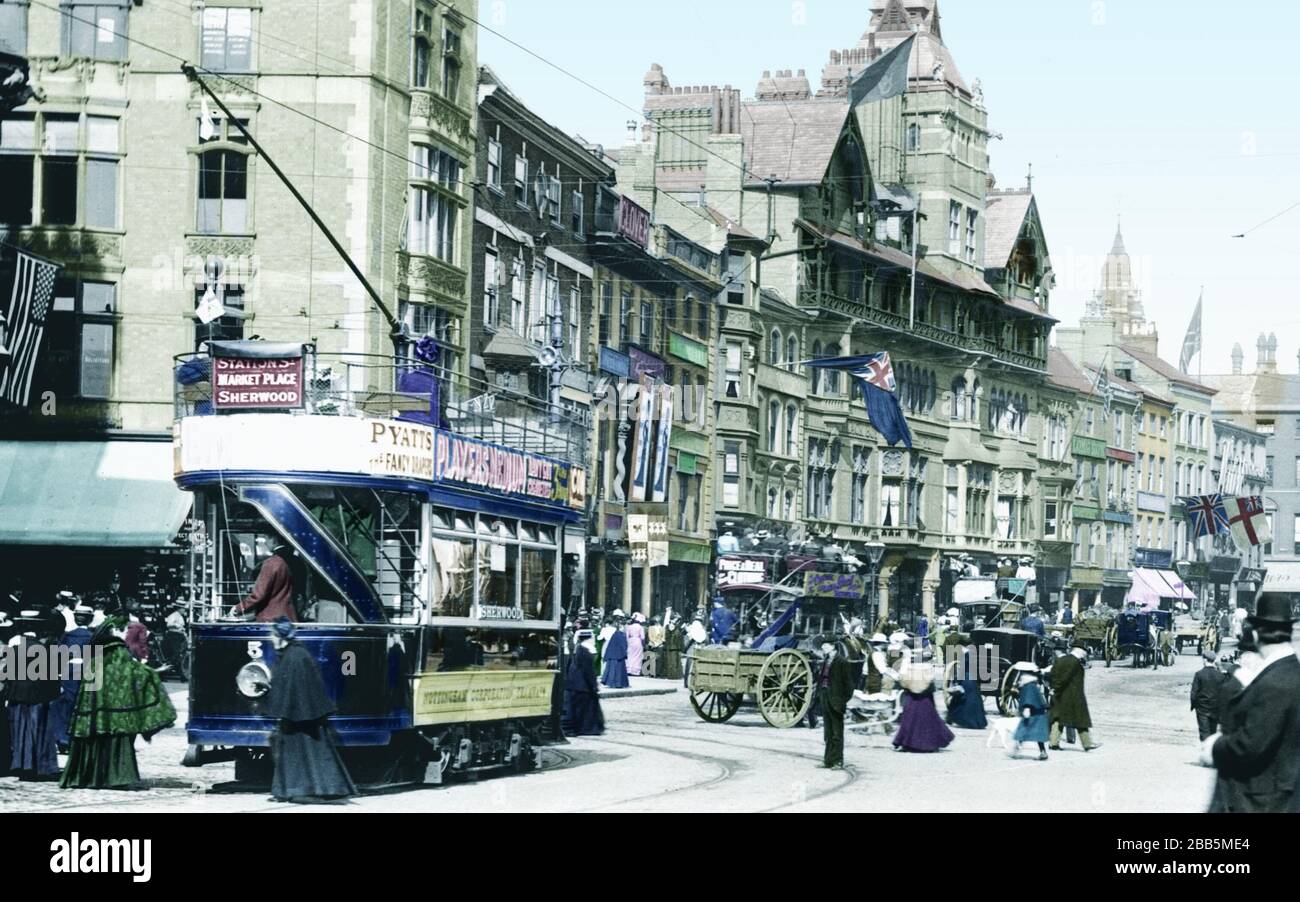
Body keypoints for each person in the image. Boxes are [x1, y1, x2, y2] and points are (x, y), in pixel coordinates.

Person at [1201, 595, 1300, 813]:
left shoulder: (1275, 683)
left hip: (1262, 803)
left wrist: (1214, 748)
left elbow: (1250, 745)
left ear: (1255, 634)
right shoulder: (1290, 672)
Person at [61, 615, 177, 789]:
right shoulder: (119, 654)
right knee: (117, 741)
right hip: (118, 718)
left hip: (93, 717)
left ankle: (89, 777)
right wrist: (156, 672)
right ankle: (116, 777)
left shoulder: (95, 661)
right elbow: (135, 672)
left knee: (94, 740)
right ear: (116, 630)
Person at [264, 617, 357, 803]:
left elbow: (296, 687)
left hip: (303, 717)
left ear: (281, 637)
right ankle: (291, 790)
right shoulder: (292, 654)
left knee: (307, 754)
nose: (271, 639)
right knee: (299, 753)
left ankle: (313, 789)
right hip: (299, 715)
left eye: (273, 635)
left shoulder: (296, 657)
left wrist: (287, 708)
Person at [7, 610, 64, 781]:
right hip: (39, 696)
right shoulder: (47, 649)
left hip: (18, 695)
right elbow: (54, 677)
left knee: (20, 731)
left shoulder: (14, 647)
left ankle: (22, 764)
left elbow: (8, 673)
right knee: (38, 731)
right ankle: (40, 765)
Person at [49, 604, 95, 752]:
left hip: (69, 671)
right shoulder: (95, 637)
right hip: (88, 671)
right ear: (90, 619)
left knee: (64, 704)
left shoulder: (67, 636)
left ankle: (63, 737)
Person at [891, 657, 954, 753]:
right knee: (928, 719)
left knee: (910, 719)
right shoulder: (928, 667)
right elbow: (931, 681)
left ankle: (909, 742)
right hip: (925, 697)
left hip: (912, 697)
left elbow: (903, 680)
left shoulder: (907, 665)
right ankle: (928, 743)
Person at [231, 538, 298, 622]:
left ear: (274, 541)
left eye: (267, 538)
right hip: (290, 617)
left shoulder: (271, 562)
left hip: (271, 620)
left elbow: (259, 594)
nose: (265, 542)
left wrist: (238, 608)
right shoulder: (297, 561)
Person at [1049, 640, 1099, 751]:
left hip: (1064, 695)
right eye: (1084, 651)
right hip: (1073, 696)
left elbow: (1054, 674)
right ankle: (1087, 743)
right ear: (1079, 650)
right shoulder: (1074, 662)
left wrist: (1054, 689)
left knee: (1059, 718)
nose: (1085, 653)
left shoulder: (1064, 659)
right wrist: (1056, 688)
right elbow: (1064, 678)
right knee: (1081, 719)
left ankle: (1053, 743)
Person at [819, 640, 857, 768]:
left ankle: (838, 761)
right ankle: (828, 760)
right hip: (825, 697)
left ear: (832, 646)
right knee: (828, 732)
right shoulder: (826, 660)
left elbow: (849, 685)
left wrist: (842, 700)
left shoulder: (842, 662)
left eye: (825, 645)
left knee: (837, 733)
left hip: (836, 701)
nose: (822, 647)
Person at [562, 630, 605, 736]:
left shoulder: (578, 648)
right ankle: (586, 729)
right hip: (582, 685)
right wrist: (593, 686)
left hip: (574, 683)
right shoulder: (586, 650)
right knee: (585, 709)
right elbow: (588, 671)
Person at [1010, 664, 1050, 760]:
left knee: (1022, 731)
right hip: (1038, 713)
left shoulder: (1029, 686)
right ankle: (1043, 752)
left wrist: (1026, 708)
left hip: (1032, 713)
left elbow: (1028, 698)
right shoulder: (1032, 685)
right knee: (1037, 735)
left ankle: (1015, 751)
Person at [945, 646, 988, 730]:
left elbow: (962, 669)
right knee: (973, 700)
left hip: (965, 680)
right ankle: (977, 721)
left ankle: (954, 718)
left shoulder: (964, 655)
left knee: (959, 700)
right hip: (972, 680)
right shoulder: (973, 654)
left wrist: (956, 681)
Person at [1190, 647, 1226, 741]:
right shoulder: (1220, 675)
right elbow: (1223, 692)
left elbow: (1194, 692)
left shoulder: (1199, 674)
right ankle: (1211, 750)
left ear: (1205, 659)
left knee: (1204, 731)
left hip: (1202, 708)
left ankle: (1205, 750)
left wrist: (1193, 705)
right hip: (1215, 708)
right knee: (1213, 731)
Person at [601, 617, 630, 689]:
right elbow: (624, 645)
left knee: (612, 669)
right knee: (617, 670)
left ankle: (611, 682)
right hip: (619, 655)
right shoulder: (621, 635)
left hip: (613, 653)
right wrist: (625, 653)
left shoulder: (616, 634)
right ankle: (617, 683)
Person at [682, 613, 707, 688]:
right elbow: (705, 639)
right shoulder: (702, 629)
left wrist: (684, 650)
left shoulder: (692, 628)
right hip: (700, 648)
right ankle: (695, 681)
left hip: (692, 648)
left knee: (689, 666)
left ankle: (686, 682)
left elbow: (687, 641)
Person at [625, 612, 646, 677]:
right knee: (637, 656)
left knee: (630, 655)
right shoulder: (640, 627)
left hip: (630, 641)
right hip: (637, 641)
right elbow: (642, 637)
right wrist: (643, 644)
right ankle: (636, 671)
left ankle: (629, 670)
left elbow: (626, 636)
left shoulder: (629, 627)